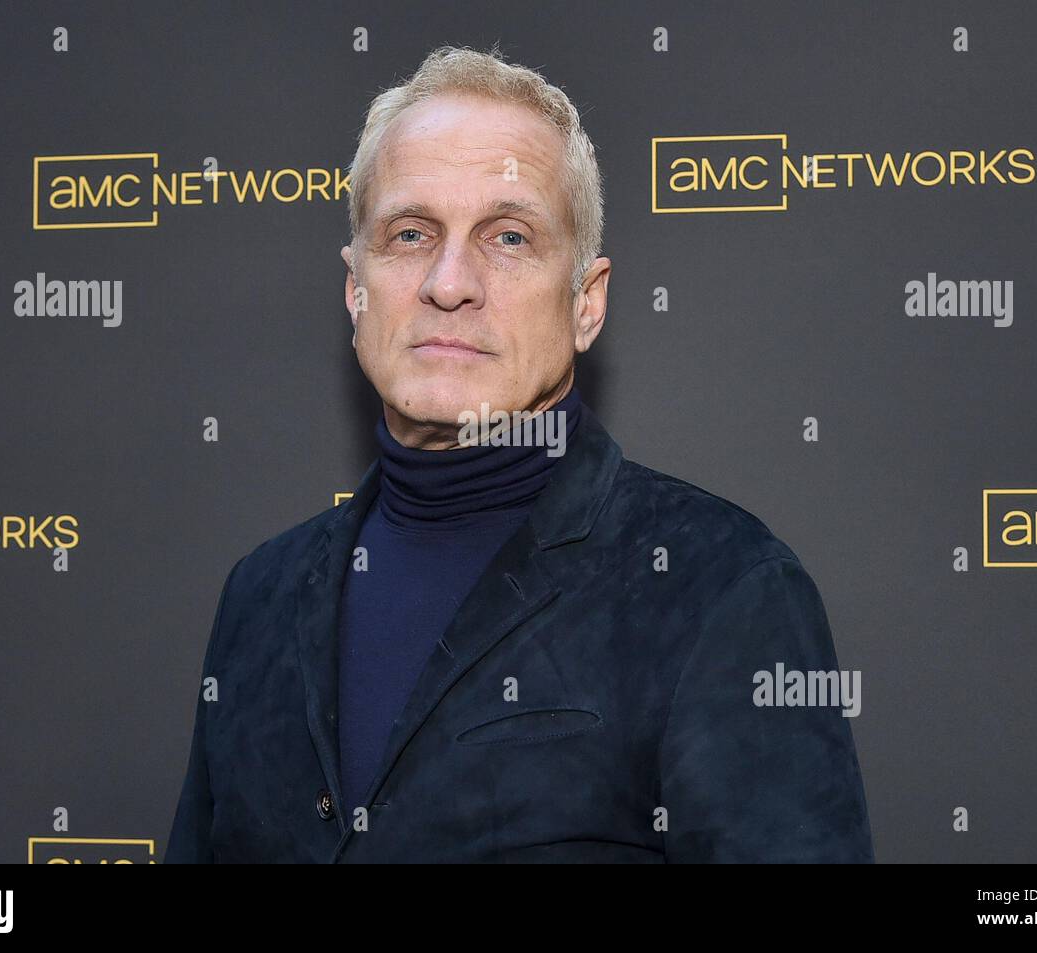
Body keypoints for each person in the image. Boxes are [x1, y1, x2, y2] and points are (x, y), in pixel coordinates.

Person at [165, 44, 874, 863]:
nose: (450, 280)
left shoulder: (722, 587)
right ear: (357, 289)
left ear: (587, 302)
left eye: (507, 235)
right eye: (409, 233)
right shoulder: (260, 594)